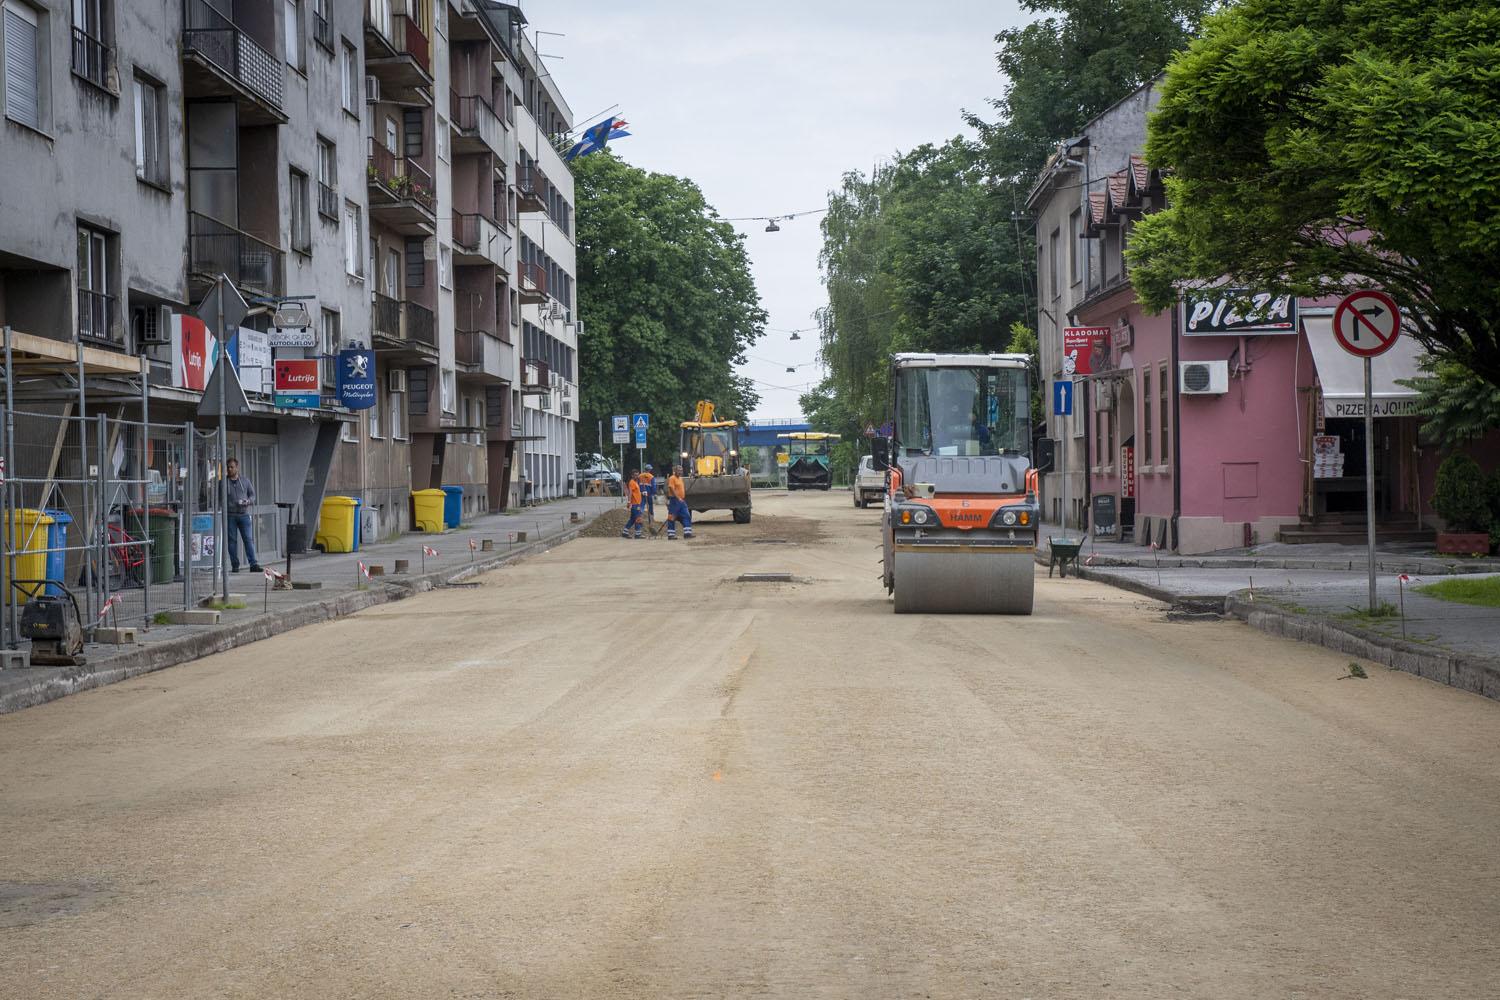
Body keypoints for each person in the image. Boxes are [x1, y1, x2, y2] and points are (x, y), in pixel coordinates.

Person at [224, 457, 262, 573]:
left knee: (248, 539)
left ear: (237, 468)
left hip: (244, 514)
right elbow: (219, 498)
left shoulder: (245, 481)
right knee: (232, 541)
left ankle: (253, 564)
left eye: (232, 467)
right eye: (228, 467)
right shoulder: (223, 483)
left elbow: (253, 495)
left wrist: (248, 501)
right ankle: (235, 565)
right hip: (230, 515)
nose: (230, 469)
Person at [664, 464, 693, 540]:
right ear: (675, 471)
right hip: (674, 500)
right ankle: (671, 534)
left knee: (686, 515)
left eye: (681, 470)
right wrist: (677, 498)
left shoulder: (680, 478)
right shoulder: (672, 478)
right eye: (679, 470)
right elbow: (671, 488)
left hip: (681, 500)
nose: (680, 471)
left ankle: (687, 533)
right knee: (672, 517)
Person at [620, 471, 644, 539]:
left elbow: (636, 492)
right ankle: (638, 534)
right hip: (635, 504)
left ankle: (625, 532)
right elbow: (630, 493)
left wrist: (642, 493)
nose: (637, 476)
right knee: (638, 518)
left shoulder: (636, 482)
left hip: (637, 503)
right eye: (635, 475)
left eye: (637, 475)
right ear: (632, 476)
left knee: (632, 519)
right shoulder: (632, 482)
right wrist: (629, 501)